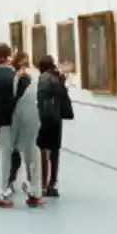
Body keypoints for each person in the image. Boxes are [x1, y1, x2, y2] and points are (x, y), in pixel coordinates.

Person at [0, 44, 24, 207]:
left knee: (4, 152)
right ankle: (10, 182)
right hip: (15, 119)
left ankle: (5, 184)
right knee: (15, 152)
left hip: (0, 120)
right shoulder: (15, 76)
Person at [35, 55, 73, 198]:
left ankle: (43, 184)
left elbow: (41, 99)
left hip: (46, 118)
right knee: (55, 151)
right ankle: (53, 183)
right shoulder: (58, 77)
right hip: (57, 118)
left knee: (43, 150)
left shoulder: (44, 78)